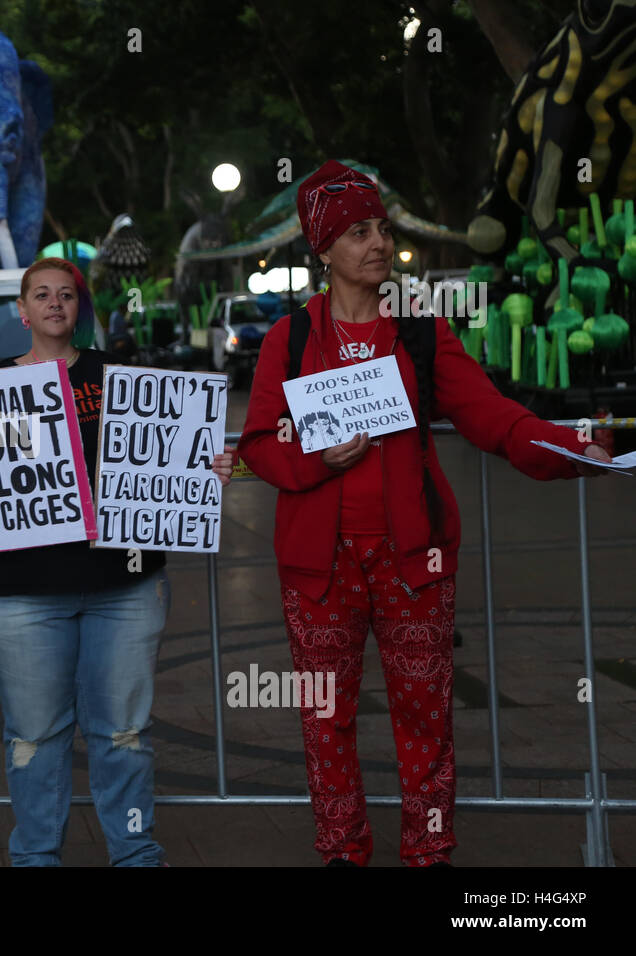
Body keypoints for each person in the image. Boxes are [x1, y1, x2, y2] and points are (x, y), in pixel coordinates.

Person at [238, 160, 613, 867]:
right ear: (322, 249)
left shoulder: (418, 333)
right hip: (318, 571)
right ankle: (343, 850)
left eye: (381, 227)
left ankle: (429, 849)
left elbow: (494, 418)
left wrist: (575, 447)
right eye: (357, 232)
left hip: (416, 562)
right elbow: (259, 444)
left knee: (426, 720)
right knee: (324, 721)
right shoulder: (287, 342)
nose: (377, 243)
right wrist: (320, 461)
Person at [0, 257, 235, 866]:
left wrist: (209, 464)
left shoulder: (125, 379)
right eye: (40, 295)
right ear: (21, 311)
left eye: (65, 294)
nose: (53, 303)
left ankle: (135, 854)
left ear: (79, 308)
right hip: (17, 594)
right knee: (34, 736)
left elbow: (167, 452)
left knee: (124, 732)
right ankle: (37, 856)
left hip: (121, 586)